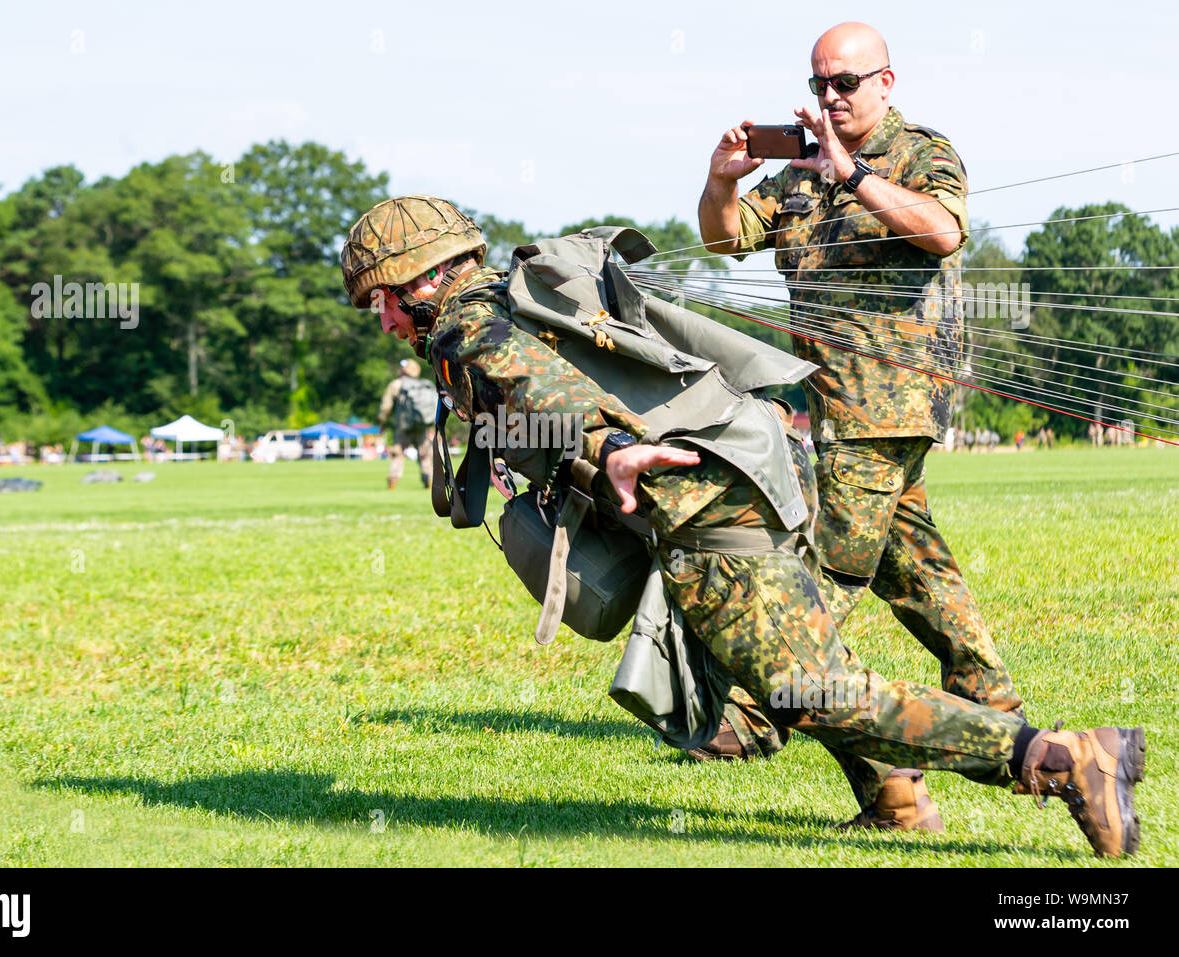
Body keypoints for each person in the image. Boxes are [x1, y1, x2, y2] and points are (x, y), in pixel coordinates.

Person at [339, 194, 1145, 857]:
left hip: (703, 504)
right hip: (736, 474)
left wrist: (610, 448)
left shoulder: (469, 327)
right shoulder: (518, 293)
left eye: (378, 300)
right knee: (791, 669)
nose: (382, 323)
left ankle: (1062, 757)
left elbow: (539, 392)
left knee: (808, 689)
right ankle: (896, 796)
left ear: (419, 280)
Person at [696, 22, 1025, 821]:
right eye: (819, 85)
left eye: (845, 82)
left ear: (886, 80)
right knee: (909, 560)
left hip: (890, 399)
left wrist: (853, 175)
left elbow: (943, 230)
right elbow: (722, 242)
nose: (831, 98)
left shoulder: (920, 152)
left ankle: (758, 710)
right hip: (833, 397)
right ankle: (989, 692)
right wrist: (723, 180)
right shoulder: (801, 170)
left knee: (828, 567)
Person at [378, 358, 437, 489]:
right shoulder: (425, 384)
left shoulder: (396, 384)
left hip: (403, 426)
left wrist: (382, 423)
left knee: (397, 454)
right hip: (423, 425)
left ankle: (392, 482)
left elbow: (386, 406)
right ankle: (428, 479)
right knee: (425, 454)